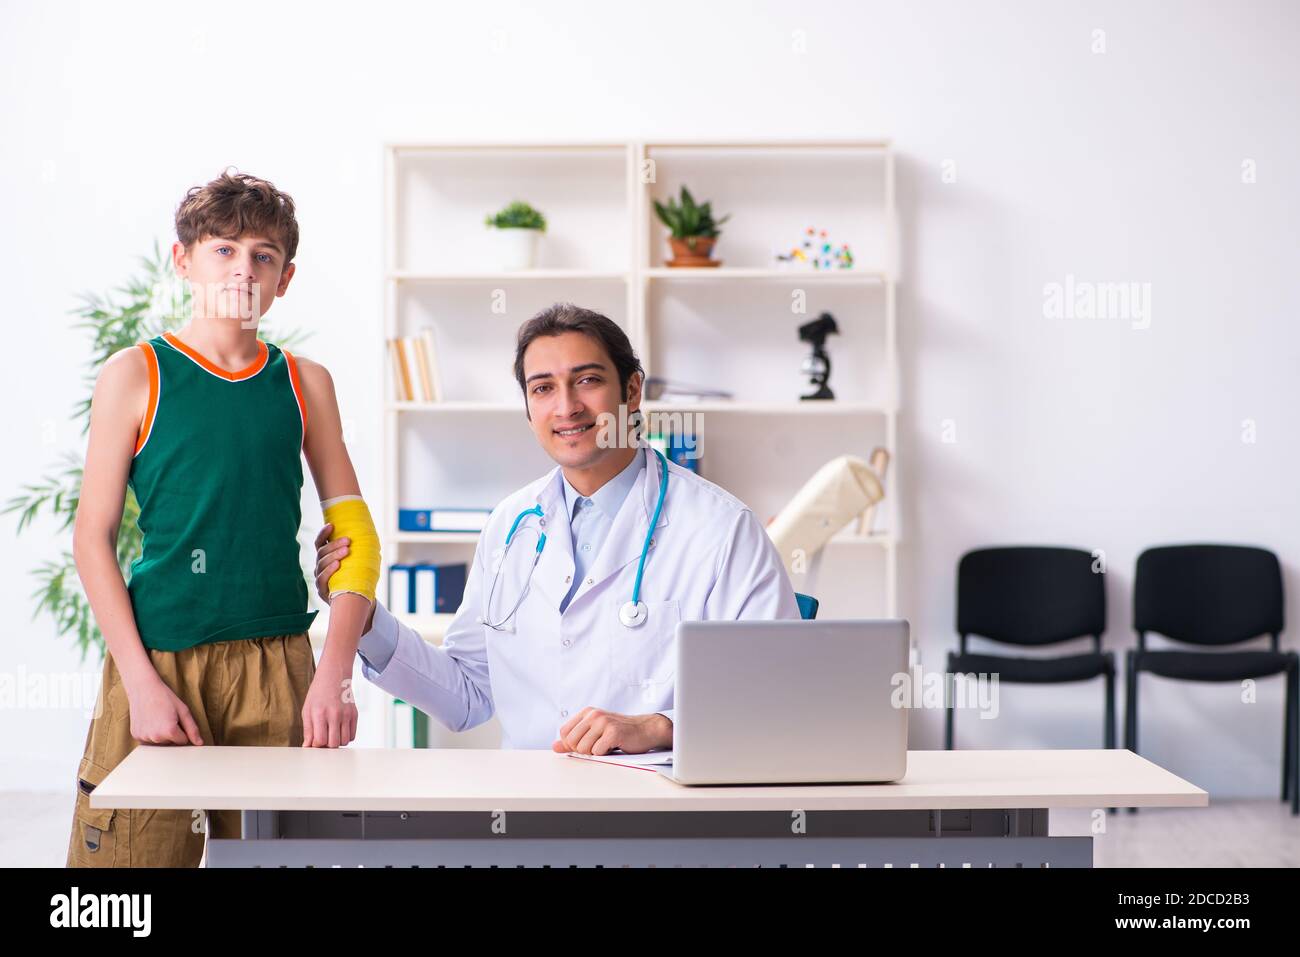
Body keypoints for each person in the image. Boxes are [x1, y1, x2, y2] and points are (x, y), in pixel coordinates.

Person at [314, 302, 799, 755]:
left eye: (587, 381)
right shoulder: (510, 524)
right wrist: (364, 618)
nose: (566, 407)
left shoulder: (721, 528)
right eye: (543, 388)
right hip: (528, 814)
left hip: (658, 815)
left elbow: (777, 698)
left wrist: (659, 726)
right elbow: (466, 696)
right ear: (529, 408)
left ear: (632, 391)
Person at [67, 169, 381, 867]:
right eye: (224, 250)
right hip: (160, 662)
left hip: (280, 668)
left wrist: (334, 676)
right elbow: (92, 539)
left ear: (285, 278)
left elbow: (355, 537)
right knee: (125, 877)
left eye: (263, 255)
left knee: (285, 856)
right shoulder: (136, 373)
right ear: (184, 260)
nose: (244, 268)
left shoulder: (305, 382)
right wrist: (142, 683)